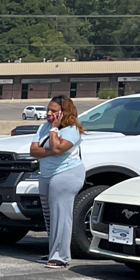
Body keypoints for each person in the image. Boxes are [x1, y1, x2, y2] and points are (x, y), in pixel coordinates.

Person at [31, 95, 84, 269]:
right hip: (46, 174)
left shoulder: (71, 130)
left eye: (54, 111)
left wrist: (54, 130)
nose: (48, 113)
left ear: (64, 112)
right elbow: (33, 150)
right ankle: (53, 250)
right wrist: (51, 151)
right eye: (48, 109)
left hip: (66, 174)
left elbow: (57, 147)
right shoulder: (43, 127)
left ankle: (61, 256)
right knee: (50, 216)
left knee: (61, 216)